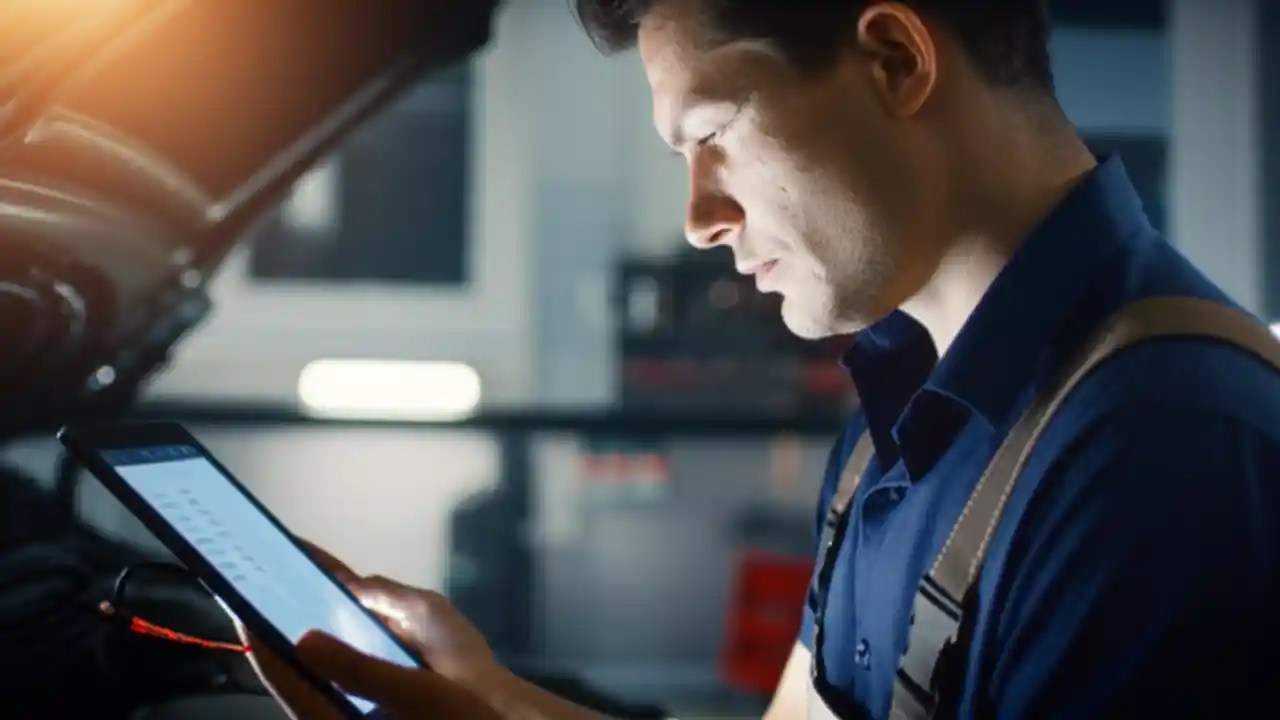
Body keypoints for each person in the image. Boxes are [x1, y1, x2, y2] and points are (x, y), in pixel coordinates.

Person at [251, 0, 1280, 717]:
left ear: (895, 61)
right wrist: (489, 699)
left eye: (714, 133)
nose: (699, 217)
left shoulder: (1162, 450)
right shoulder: (898, 414)